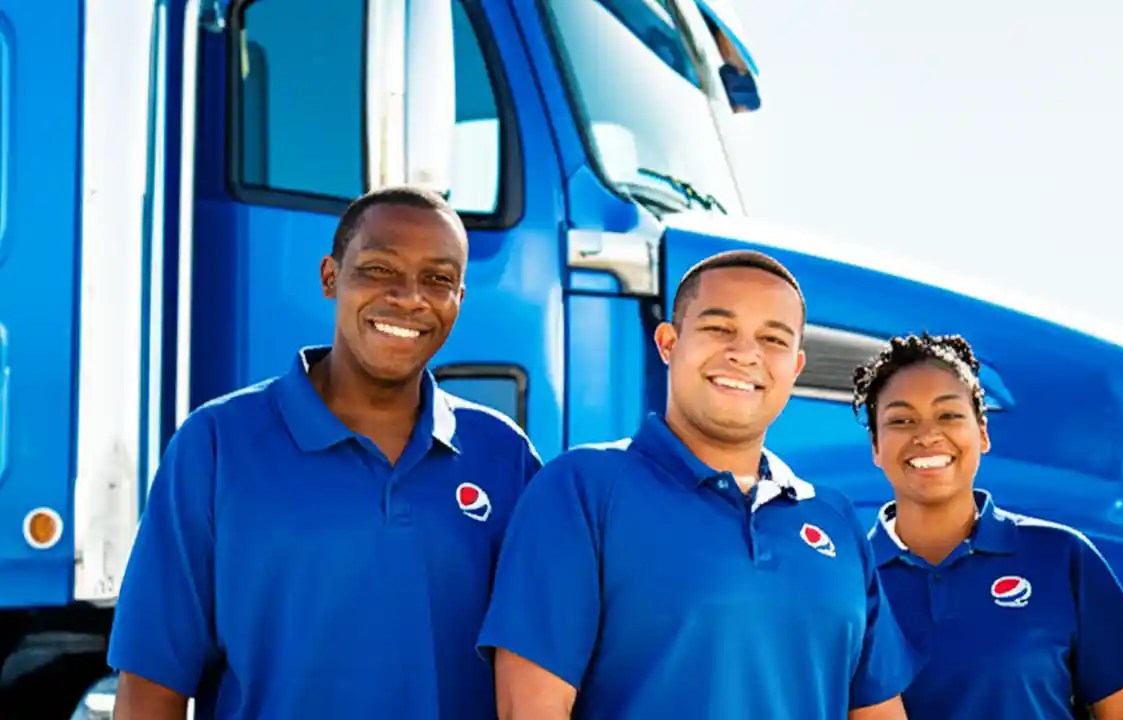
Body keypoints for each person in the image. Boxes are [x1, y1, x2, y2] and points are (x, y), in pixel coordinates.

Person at [107, 186, 542, 719]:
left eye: (438, 279)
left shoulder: (504, 456)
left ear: (459, 299)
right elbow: (152, 683)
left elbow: (544, 672)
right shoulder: (217, 444)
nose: (409, 297)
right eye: (379, 269)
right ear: (331, 277)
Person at [476, 250, 917, 720]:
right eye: (719, 328)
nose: (745, 353)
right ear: (668, 343)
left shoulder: (836, 520)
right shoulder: (581, 489)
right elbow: (529, 708)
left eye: (772, 339)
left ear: (796, 366)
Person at [851, 331, 1123, 720]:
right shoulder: (846, 581)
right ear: (876, 448)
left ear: (982, 433)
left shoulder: (1061, 557)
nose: (927, 435)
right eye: (901, 420)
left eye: (948, 415)